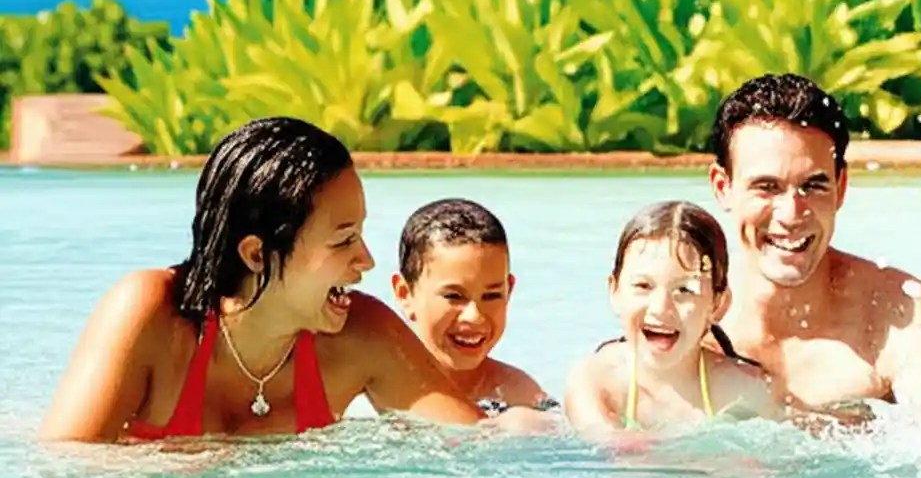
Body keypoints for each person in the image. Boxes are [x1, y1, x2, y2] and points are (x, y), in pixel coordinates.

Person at [39, 116, 485, 443]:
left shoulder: (362, 335)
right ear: (256, 254)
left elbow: (482, 451)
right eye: (343, 239)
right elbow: (65, 473)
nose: (365, 261)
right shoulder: (151, 314)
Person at [707, 73, 921, 434]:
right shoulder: (686, 320)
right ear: (723, 187)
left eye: (813, 186)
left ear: (840, 187)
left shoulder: (894, 315)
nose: (792, 214)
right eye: (767, 187)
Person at [564, 200, 779, 440]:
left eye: (685, 290)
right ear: (615, 292)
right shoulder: (596, 384)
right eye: (643, 286)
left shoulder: (746, 390)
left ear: (717, 304)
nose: (660, 308)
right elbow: (613, 453)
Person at [390, 197, 556, 415]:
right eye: (454, 296)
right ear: (405, 294)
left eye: (492, 295)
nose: (474, 316)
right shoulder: (373, 395)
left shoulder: (520, 396)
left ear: (509, 291)